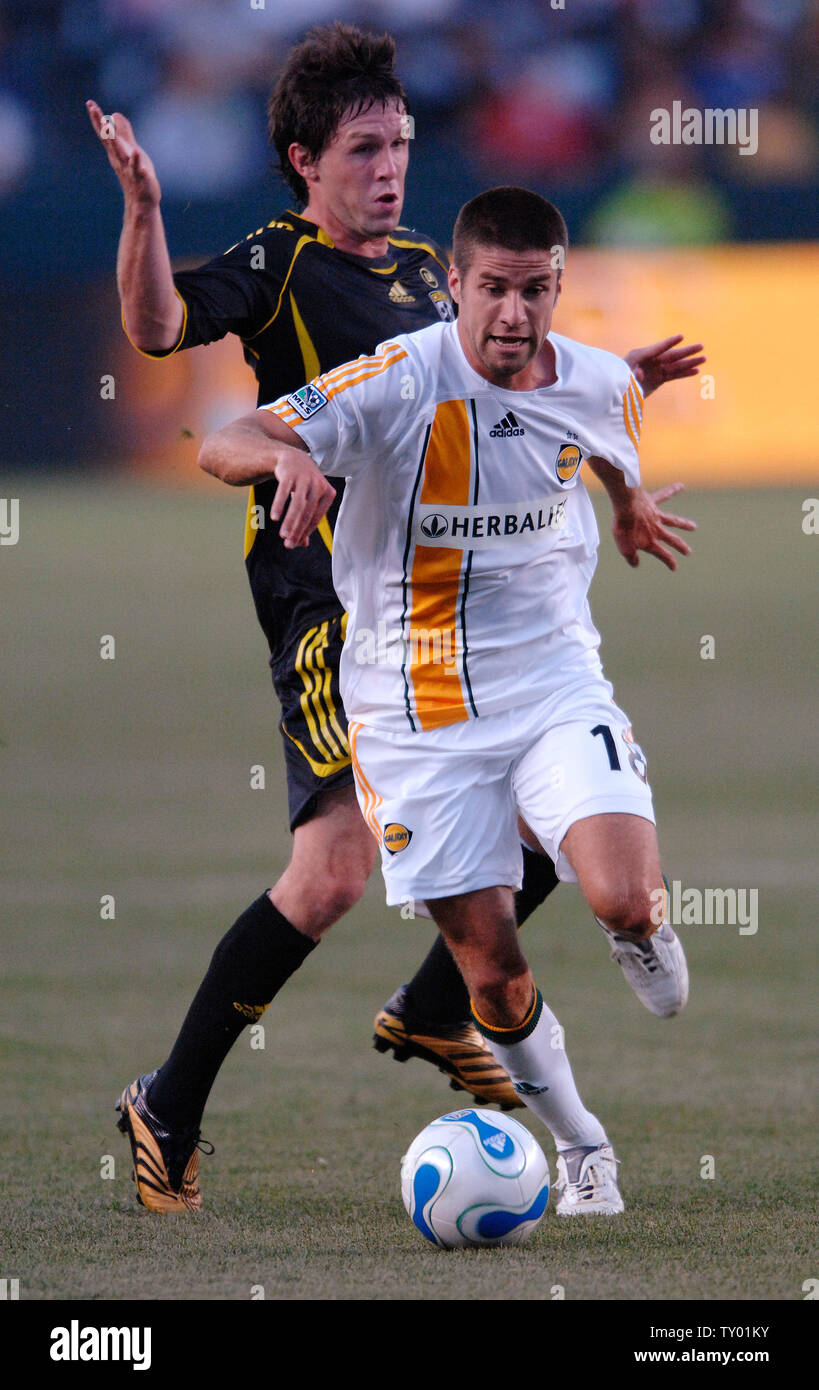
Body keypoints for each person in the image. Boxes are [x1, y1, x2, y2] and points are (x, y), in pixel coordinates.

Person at [90, 25, 699, 1212]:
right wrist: (145, 212)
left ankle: (435, 1003)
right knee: (331, 871)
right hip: (327, 604)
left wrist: (600, 394)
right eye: (365, 148)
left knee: (544, 807)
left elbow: (506, 377)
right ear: (303, 159)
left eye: (403, 144)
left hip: (462, 615)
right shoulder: (278, 259)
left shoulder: (431, 267)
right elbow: (161, 331)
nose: (390, 167)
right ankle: (171, 1099)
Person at [199, 184, 692, 1216]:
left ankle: (639, 924)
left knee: (620, 891)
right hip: (413, 715)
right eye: (496, 290)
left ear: (560, 288)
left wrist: (631, 502)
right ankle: (583, 1145)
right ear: (455, 285)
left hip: (553, 679)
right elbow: (224, 438)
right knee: (491, 971)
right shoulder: (393, 380)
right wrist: (288, 458)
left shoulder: (598, 378)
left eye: (538, 291)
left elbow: (603, 432)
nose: (515, 314)